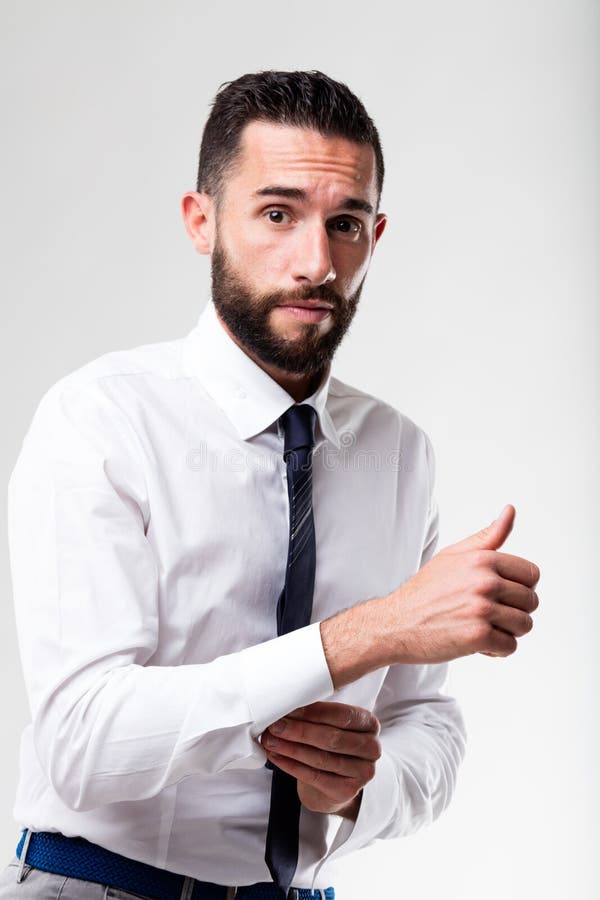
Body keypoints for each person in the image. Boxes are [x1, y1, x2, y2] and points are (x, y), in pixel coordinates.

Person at [1, 70, 540, 899]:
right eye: (278, 214)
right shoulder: (100, 419)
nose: (316, 263)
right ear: (202, 220)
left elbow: (425, 721)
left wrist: (360, 791)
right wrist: (371, 633)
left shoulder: (399, 452)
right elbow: (83, 739)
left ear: (375, 236)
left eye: (346, 224)